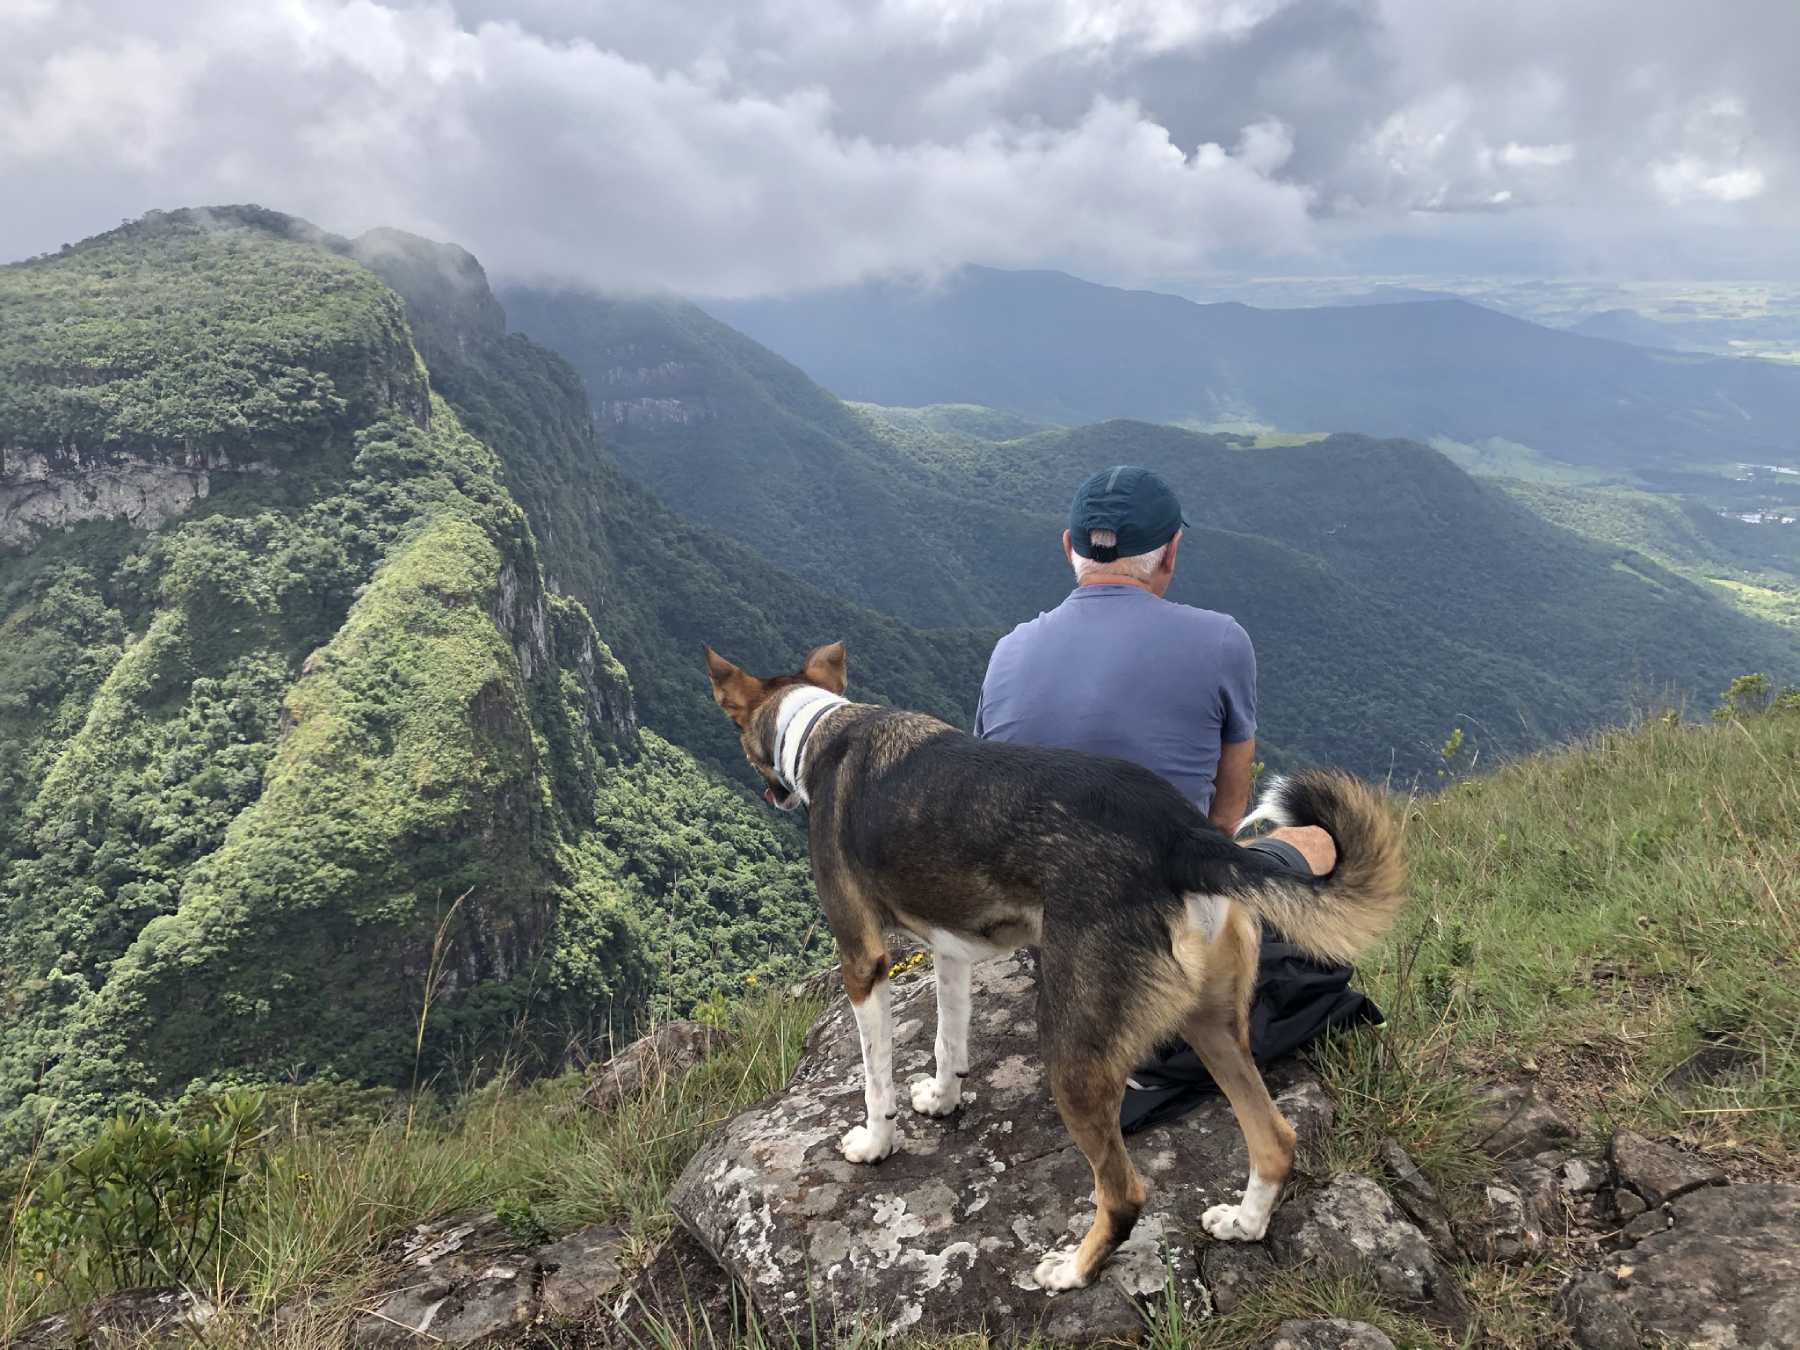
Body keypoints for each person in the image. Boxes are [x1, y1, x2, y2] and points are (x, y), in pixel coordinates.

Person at [975, 464, 1380, 1131]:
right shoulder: (1221, 640)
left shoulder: (1007, 652)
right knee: (1316, 840)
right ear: (1170, 551)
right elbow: (1224, 818)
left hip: (1053, 930)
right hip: (1159, 922)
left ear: (1067, 547)